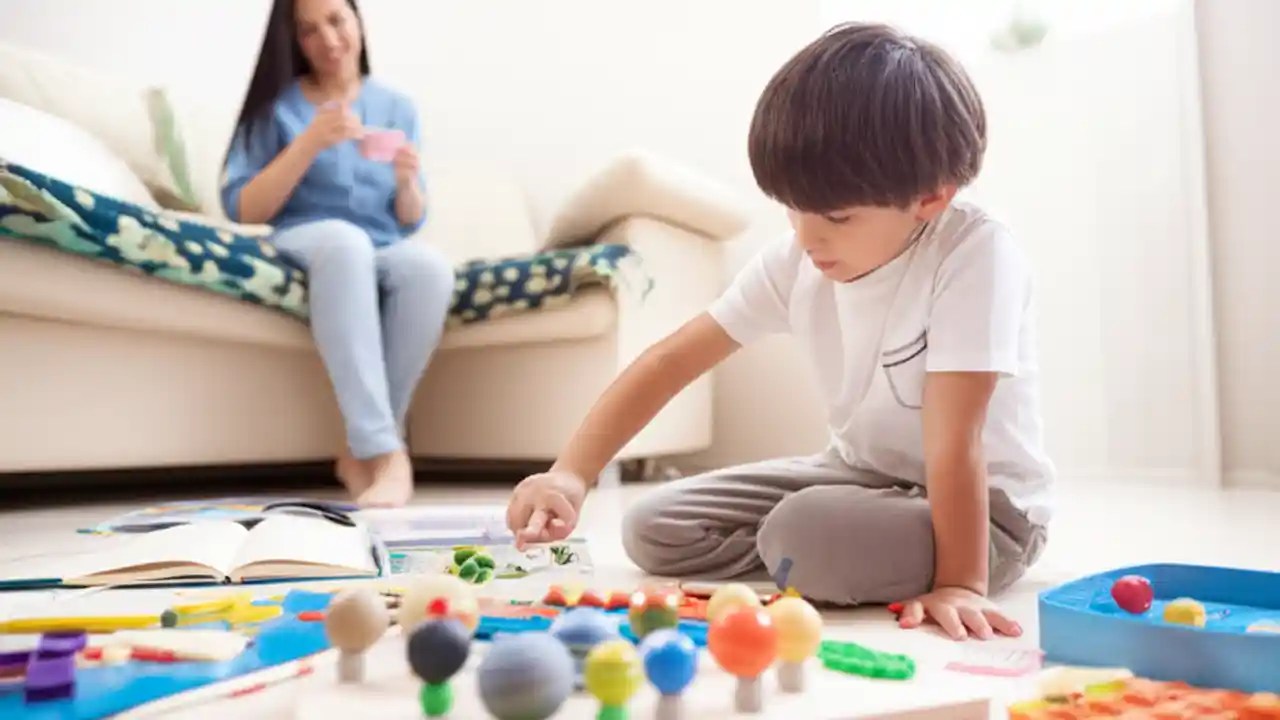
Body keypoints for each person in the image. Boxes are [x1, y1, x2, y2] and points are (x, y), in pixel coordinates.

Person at [505, 22, 1054, 641]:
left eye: (836, 217)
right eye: (792, 208)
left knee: (804, 533)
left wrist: (960, 583)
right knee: (653, 527)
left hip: (989, 516)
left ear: (930, 197)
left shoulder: (975, 252)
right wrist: (571, 472)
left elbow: (958, 437)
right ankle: (821, 549)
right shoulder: (801, 256)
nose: (806, 236)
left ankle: (826, 549)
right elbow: (670, 361)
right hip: (862, 473)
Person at [221, 0, 454, 507]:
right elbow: (241, 206)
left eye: (336, 21)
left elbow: (411, 217)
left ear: (358, 23)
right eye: (308, 31)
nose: (327, 39)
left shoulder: (397, 107)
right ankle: (387, 452)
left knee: (429, 269)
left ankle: (358, 453)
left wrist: (407, 181)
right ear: (293, 42)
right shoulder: (277, 108)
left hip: (382, 242)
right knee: (346, 244)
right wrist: (308, 143)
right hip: (306, 236)